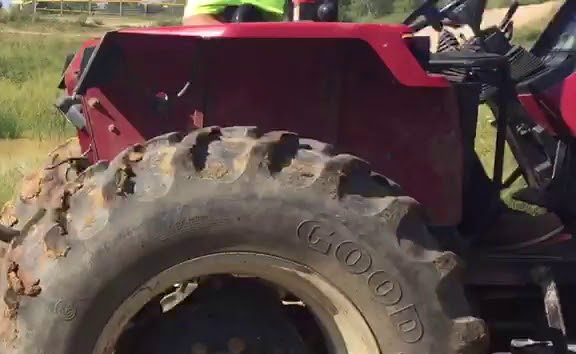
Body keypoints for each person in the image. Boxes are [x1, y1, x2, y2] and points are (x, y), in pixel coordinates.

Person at [180, 0, 568, 248]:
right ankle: (482, 221)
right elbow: (199, 18)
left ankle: (477, 215)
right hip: (271, 85)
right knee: (432, 101)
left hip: (295, 77)